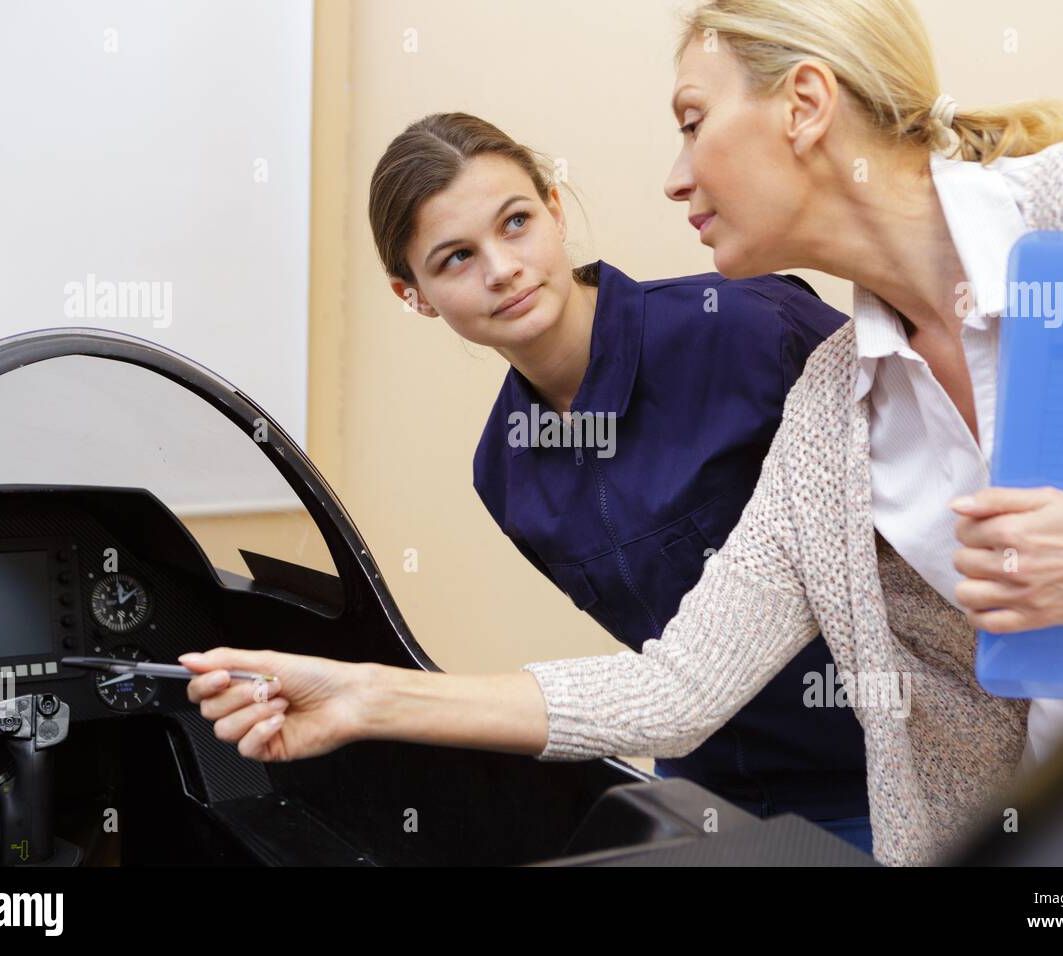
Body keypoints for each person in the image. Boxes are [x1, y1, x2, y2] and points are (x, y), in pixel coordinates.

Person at [182, 0, 1063, 865]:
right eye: (454, 258)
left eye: (691, 121)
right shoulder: (830, 413)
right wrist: (362, 695)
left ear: (804, 105)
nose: (673, 177)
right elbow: (676, 686)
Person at [366, 112, 869, 851]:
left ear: (556, 210)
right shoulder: (502, 470)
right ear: (412, 294)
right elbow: (660, 669)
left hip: (872, 783)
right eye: (456, 258)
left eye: (515, 222)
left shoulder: (755, 326)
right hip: (696, 794)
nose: (501, 268)